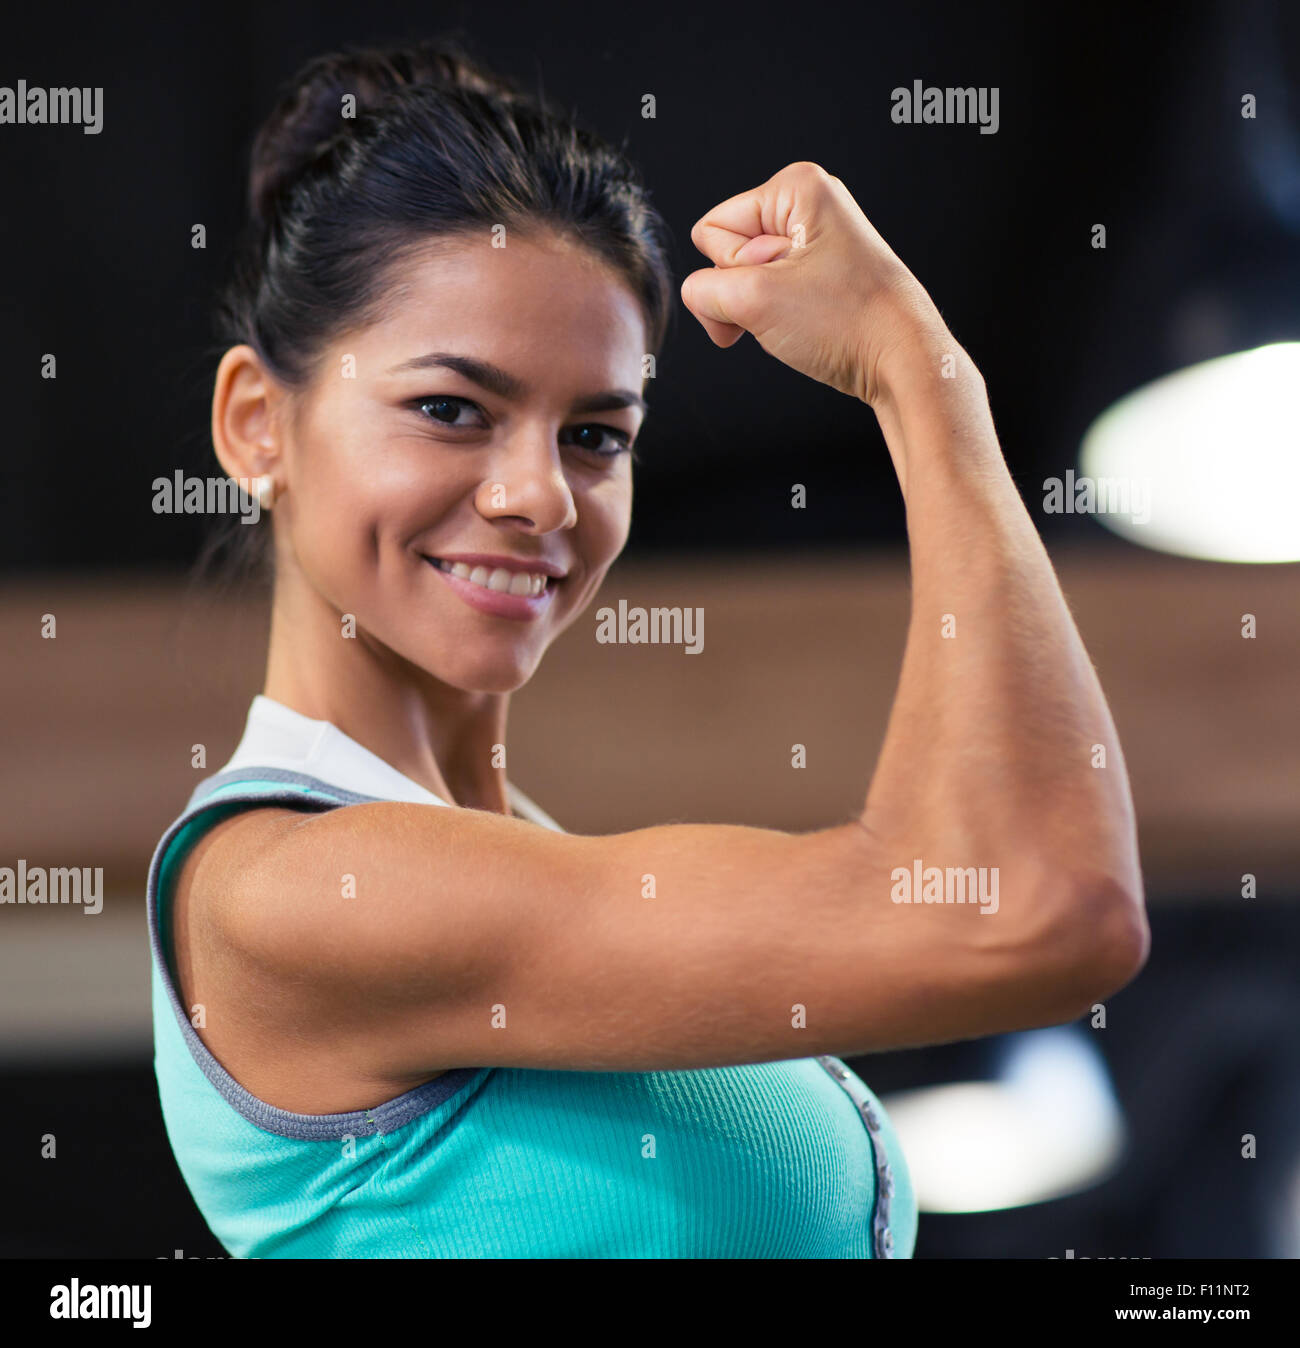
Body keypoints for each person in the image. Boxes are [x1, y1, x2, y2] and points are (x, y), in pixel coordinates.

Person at [147, 37, 1149, 1259]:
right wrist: (923, 375)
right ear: (258, 424)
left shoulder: (522, 865)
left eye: (595, 435)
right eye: (451, 409)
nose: (539, 495)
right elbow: (1039, 909)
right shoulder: (293, 891)